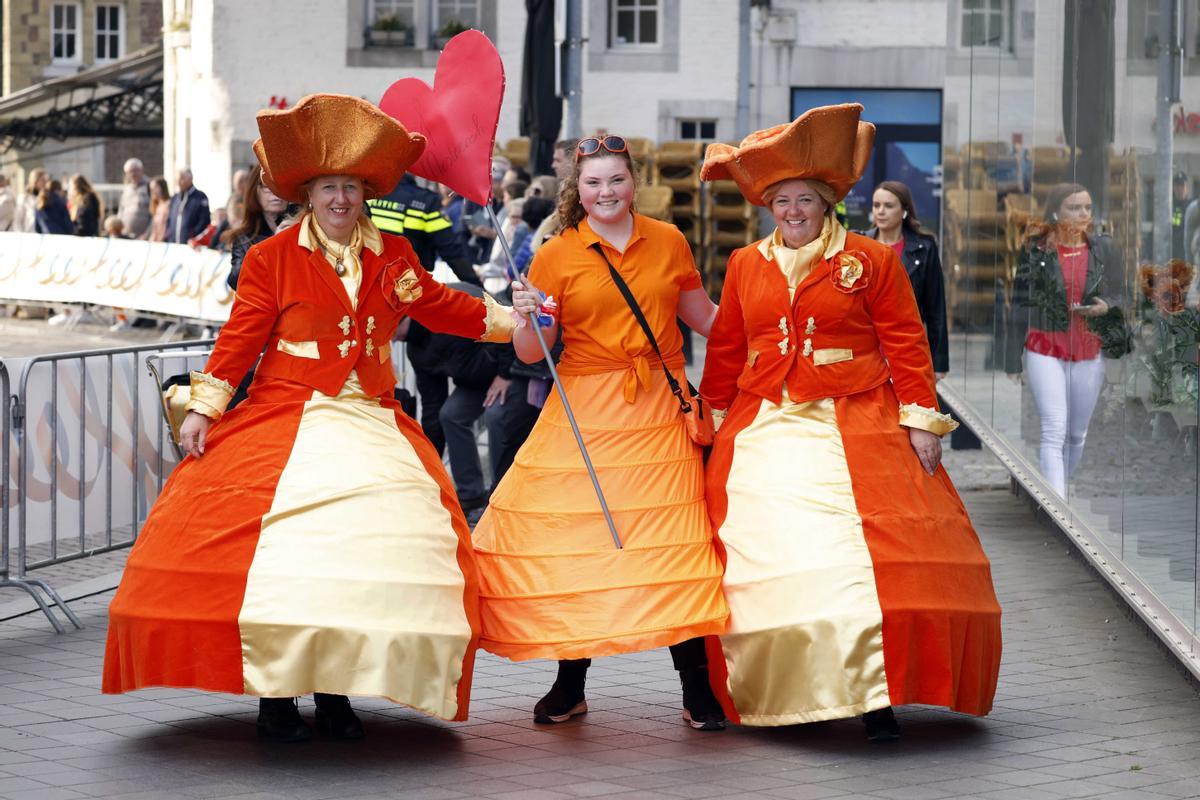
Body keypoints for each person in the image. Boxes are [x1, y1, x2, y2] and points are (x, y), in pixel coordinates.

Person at [103, 93, 518, 743]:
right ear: (308, 194)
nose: (340, 199)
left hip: (371, 420)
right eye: (328, 188)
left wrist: (513, 321)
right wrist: (205, 408)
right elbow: (241, 339)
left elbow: (442, 307)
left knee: (361, 559)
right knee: (288, 558)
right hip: (286, 413)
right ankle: (276, 697)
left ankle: (334, 690)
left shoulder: (392, 255)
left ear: (365, 193)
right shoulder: (271, 259)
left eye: (350, 187)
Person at [699, 104, 1002, 742]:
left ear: (828, 202)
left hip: (859, 414)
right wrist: (713, 421)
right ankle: (802, 687)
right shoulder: (746, 263)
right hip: (766, 425)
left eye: (804, 199)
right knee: (782, 555)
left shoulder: (871, 260)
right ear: (768, 207)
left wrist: (920, 420)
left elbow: (906, 343)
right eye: (781, 201)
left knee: (871, 557)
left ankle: (874, 697)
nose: (792, 211)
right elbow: (726, 350)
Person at [480, 135, 729, 731]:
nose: (606, 191)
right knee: (580, 545)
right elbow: (532, 352)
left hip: (659, 412)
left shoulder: (668, 240)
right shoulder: (555, 254)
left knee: (675, 546)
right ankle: (570, 686)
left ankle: (696, 689)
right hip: (583, 414)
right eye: (594, 182)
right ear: (578, 189)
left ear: (634, 183)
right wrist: (526, 314)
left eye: (616, 179)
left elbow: (708, 319)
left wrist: (772, 334)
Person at [1006, 183, 1124, 498]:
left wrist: (1106, 305)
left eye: (1087, 207)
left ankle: (1058, 489)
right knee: (1053, 428)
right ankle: (1056, 506)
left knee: (1075, 434)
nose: (1083, 214)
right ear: (1056, 212)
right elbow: (1019, 302)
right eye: (1074, 207)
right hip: (1045, 343)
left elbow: (1122, 295)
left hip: (1088, 346)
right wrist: (1011, 358)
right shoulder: (1036, 249)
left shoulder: (1103, 248)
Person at [861, 180, 948, 378]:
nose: (881, 211)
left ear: (904, 211)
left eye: (888, 206)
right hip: (865, 354)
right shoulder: (859, 245)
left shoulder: (924, 248)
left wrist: (939, 363)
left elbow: (936, 308)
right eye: (876, 205)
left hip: (906, 351)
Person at [367, 173, 479, 284]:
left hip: (366, 280)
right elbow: (452, 252)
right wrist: (477, 286)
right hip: (407, 285)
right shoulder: (426, 201)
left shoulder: (367, 194)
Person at [221, 164, 290, 290]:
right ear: (255, 191)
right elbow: (235, 280)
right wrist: (273, 246)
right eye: (267, 187)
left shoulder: (303, 226)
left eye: (280, 186)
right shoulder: (243, 238)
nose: (275, 193)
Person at [165, 168, 211, 244]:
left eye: (182, 179)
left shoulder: (200, 197)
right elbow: (169, 219)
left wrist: (193, 235)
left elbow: (204, 221)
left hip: (190, 244)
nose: (179, 182)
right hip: (173, 244)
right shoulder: (175, 198)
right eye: (177, 179)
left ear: (190, 179)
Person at [118, 158, 152, 239]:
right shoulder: (127, 189)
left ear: (142, 170)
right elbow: (121, 210)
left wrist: (147, 234)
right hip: (126, 235)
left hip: (144, 237)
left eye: (135, 170)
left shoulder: (150, 186)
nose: (133, 174)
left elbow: (154, 214)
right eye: (130, 171)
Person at [147, 176, 171, 242]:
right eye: (151, 189)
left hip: (164, 242)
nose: (152, 191)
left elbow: (167, 226)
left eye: (155, 188)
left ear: (162, 188)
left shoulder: (169, 204)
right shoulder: (156, 206)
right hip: (155, 242)